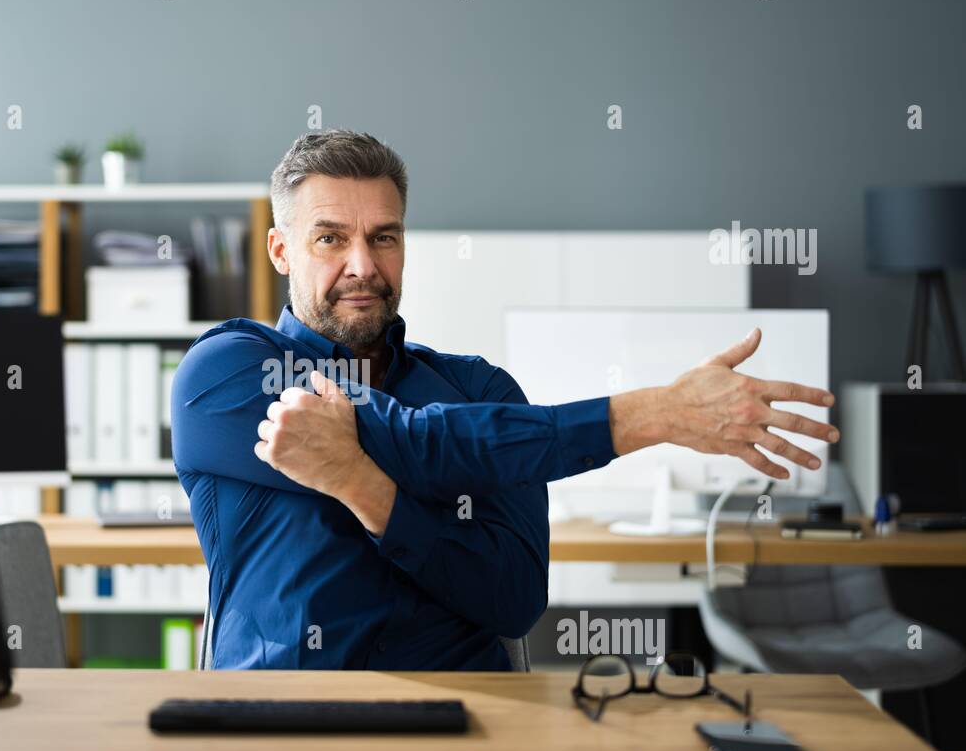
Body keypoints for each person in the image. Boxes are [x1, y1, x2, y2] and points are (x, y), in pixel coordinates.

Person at [171, 130, 837, 670]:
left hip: (460, 733)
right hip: (278, 734)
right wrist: (659, 413)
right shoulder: (227, 372)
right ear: (281, 250)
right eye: (330, 238)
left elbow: (514, 602)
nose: (363, 265)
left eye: (384, 237)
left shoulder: (480, 391)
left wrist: (364, 488)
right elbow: (420, 443)